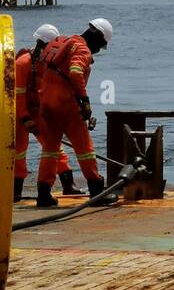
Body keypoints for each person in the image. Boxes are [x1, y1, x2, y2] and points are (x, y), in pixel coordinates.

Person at [35, 18, 114, 208]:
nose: (98, 51)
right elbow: (76, 72)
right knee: (85, 149)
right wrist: (84, 100)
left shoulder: (63, 42)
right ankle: (96, 191)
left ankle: (43, 194)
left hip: (46, 102)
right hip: (66, 105)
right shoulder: (82, 50)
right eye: (101, 46)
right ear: (97, 38)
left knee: (50, 150)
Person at [13, 25, 81, 201]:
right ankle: (16, 189)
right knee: (19, 150)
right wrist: (26, 118)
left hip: (39, 111)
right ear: (39, 44)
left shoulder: (50, 63)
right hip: (19, 112)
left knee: (54, 147)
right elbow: (18, 95)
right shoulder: (22, 63)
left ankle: (68, 184)